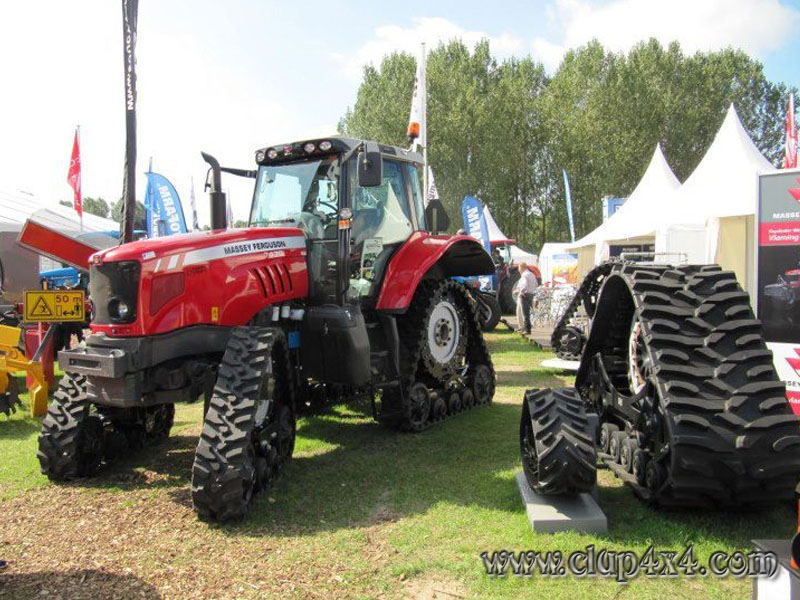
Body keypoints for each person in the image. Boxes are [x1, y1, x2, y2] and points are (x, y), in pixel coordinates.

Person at [515, 262, 538, 334]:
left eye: (519, 268)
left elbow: (524, 285)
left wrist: (519, 291)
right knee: (525, 312)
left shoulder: (525, 275)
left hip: (524, 295)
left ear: (522, 268)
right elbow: (536, 284)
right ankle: (523, 328)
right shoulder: (532, 274)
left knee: (523, 313)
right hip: (531, 294)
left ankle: (526, 329)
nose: (518, 270)